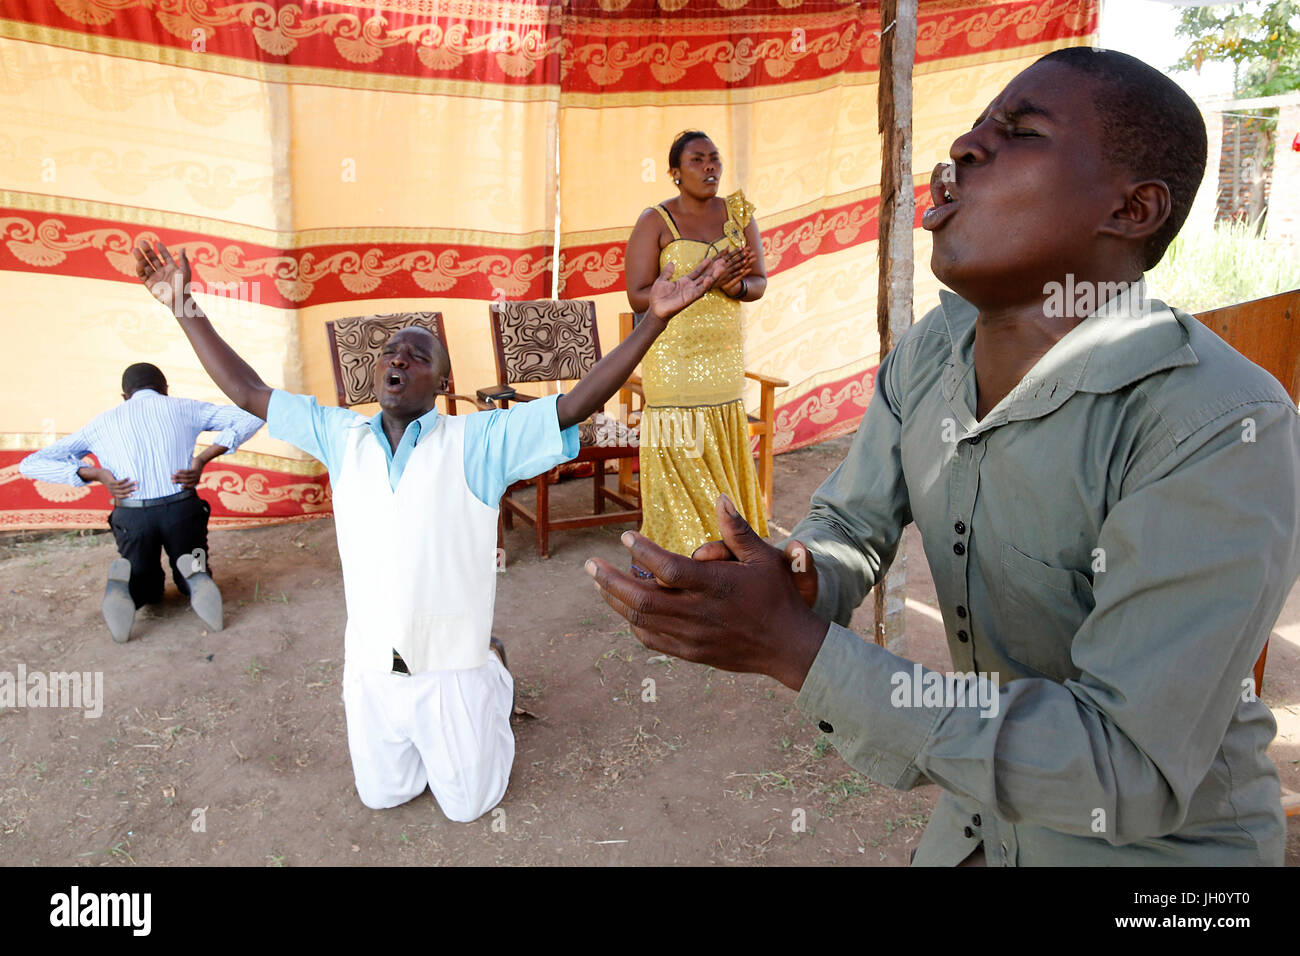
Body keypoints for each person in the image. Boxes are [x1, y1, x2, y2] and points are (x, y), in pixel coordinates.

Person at [586, 48, 1300, 865]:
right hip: (978, 821)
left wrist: (798, 647)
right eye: (977, 126)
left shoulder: (1218, 428)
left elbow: (1124, 763)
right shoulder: (933, 350)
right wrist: (796, 576)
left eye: (1020, 132)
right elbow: (850, 522)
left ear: (1132, 209)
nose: (964, 146)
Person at [133, 237, 727, 823]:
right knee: (381, 797)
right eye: (392, 351)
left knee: (471, 806)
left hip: (451, 668)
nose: (398, 358)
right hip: (371, 669)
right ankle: (431, 719)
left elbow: (573, 406)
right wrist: (184, 305)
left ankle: (494, 677)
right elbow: (247, 392)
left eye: (418, 357)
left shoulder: (479, 442)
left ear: (442, 387)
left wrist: (653, 321)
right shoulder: (339, 437)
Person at [19, 362, 262, 642]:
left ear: (124, 396)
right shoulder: (185, 408)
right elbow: (252, 416)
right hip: (181, 509)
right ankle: (196, 575)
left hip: (133, 517)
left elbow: (31, 464)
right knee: (193, 560)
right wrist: (202, 458)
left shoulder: (101, 423)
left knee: (148, 587)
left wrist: (94, 473)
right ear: (165, 390)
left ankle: (129, 588)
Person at [623, 130, 769, 571]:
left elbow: (760, 281)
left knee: (720, 450)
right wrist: (680, 288)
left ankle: (727, 545)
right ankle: (678, 551)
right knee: (677, 448)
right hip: (673, 360)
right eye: (697, 160)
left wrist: (737, 285)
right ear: (674, 173)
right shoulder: (655, 221)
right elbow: (636, 294)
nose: (710, 167)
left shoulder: (738, 214)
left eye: (714, 159)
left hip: (722, 359)